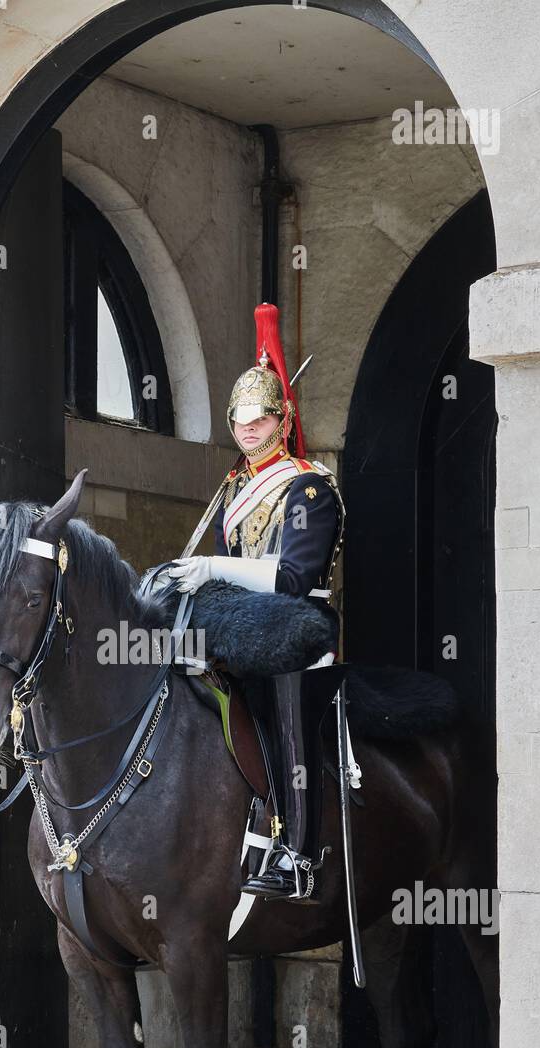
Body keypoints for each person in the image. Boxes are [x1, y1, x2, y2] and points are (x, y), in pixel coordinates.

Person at [168, 303, 345, 902]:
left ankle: (298, 853)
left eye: (260, 417)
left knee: (286, 702)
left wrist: (214, 567)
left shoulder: (309, 485)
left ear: (281, 418)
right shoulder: (234, 487)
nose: (248, 428)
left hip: (298, 627)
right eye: (239, 418)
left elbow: (295, 577)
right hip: (244, 626)